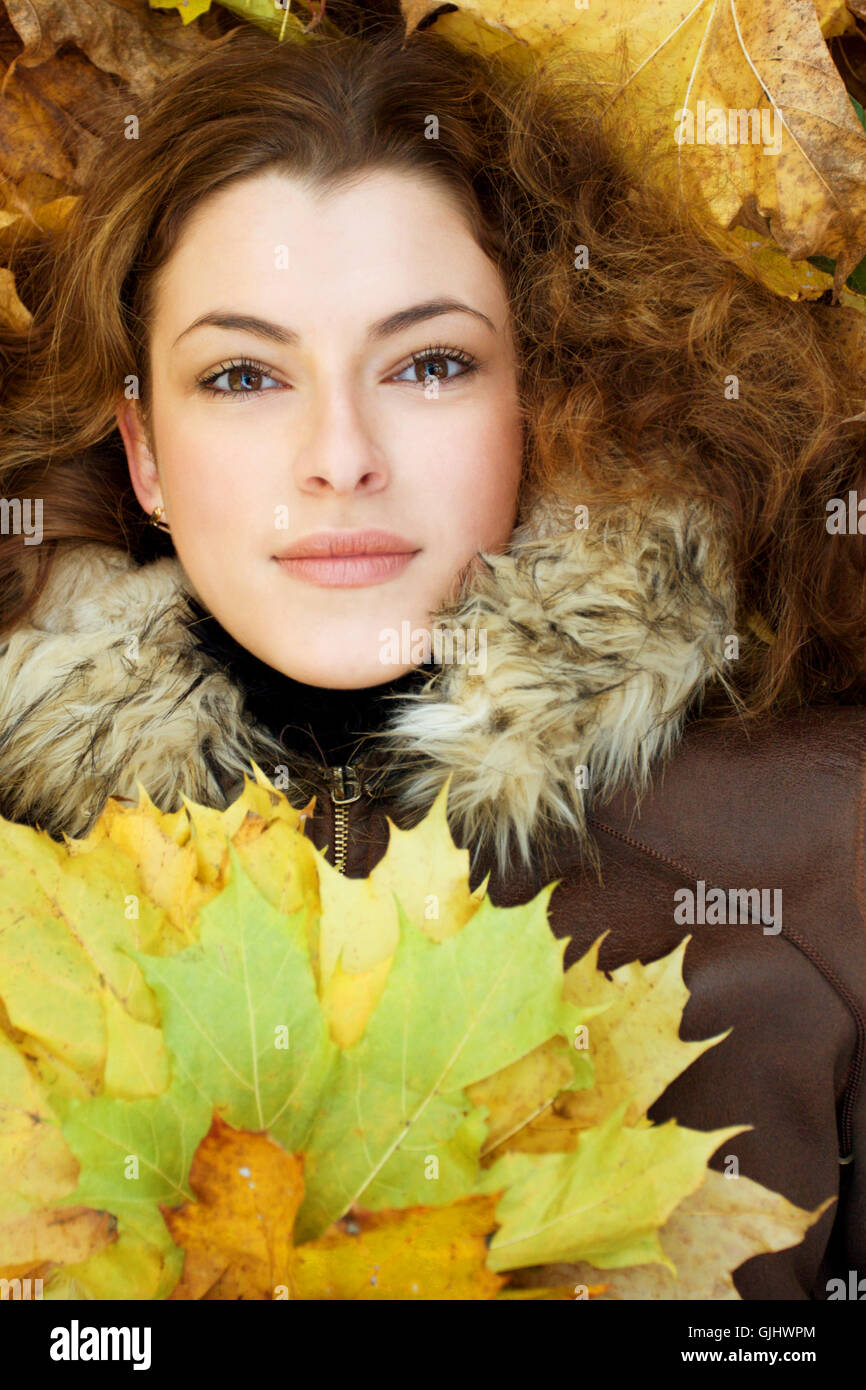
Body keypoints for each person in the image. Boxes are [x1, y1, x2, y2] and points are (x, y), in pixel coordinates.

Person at [1, 12, 865, 1301]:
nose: (340, 455)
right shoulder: (29, 890)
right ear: (143, 455)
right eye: (243, 376)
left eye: (431, 363)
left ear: (551, 398)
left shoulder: (825, 848)